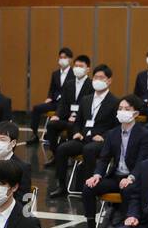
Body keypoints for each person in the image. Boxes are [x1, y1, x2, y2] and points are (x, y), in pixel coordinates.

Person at [77, 95, 148, 228]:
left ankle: (121, 227)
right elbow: (104, 158)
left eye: (127, 109)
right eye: (120, 109)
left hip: (134, 178)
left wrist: (131, 177)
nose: (122, 111)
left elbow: (142, 161)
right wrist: (97, 175)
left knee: (128, 189)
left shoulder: (144, 134)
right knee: (88, 188)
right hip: (116, 176)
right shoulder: (113, 133)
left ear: (136, 114)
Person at [48, 65, 118, 198]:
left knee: (89, 150)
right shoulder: (86, 99)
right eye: (95, 77)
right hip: (83, 138)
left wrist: (103, 136)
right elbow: (78, 121)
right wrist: (76, 132)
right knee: (62, 148)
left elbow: (116, 127)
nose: (97, 80)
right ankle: (61, 185)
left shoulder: (114, 101)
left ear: (109, 81)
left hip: (100, 141)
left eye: (101, 78)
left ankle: (87, 188)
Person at [43, 55, 93, 149]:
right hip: (66, 117)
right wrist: (57, 115)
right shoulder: (69, 84)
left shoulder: (91, 85)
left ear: (88, 69)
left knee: (72, 126)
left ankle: (71, 155)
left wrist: (77, 117)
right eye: (76, 66)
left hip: (80, 121)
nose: (78, 68)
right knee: (51, 124)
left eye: (81, 66)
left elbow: (90, 107)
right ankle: (55, 154)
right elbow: (63, 103)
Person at [30, 48, 73, 143]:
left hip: (66, 104)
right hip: (54, 102)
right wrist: (49, 97)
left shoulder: (74, 74)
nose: (62, 59)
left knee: (61, 114)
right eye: (60, 57)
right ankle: (34, 134)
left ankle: (53, 134)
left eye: (64, 57)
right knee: (36, 108)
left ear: (70, 59)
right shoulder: (55, 74)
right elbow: (51, 88)